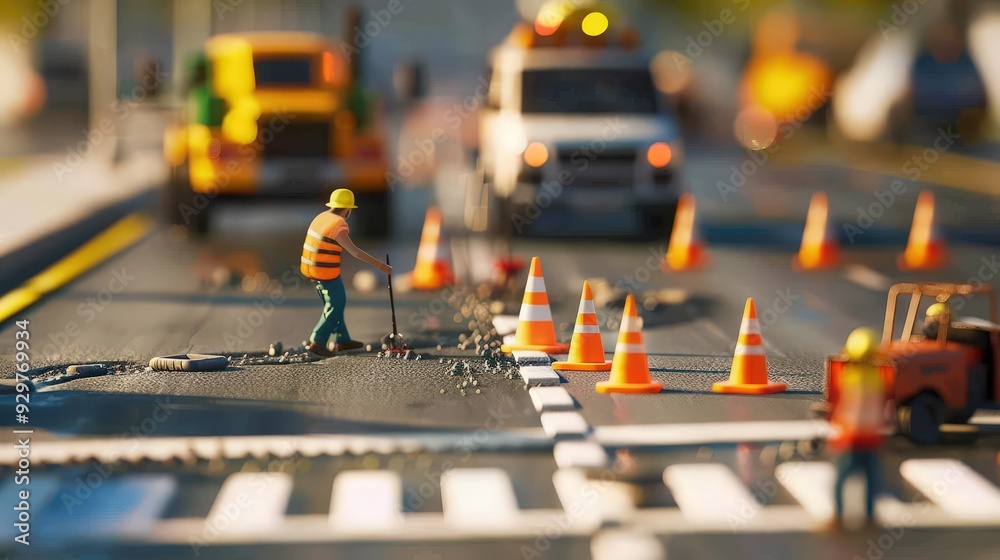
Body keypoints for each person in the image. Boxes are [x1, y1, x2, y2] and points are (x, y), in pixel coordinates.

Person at [301, 189, 391, 357]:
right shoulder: (338, 225)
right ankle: (317, 341)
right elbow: (354, 252)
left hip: (312, 270)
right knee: (335, 305)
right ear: (348, 209)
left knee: (336, 304)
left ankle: (342, 339)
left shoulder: (321, 217)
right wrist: (381, 266)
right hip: (325, 273)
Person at [828, 327, 888, 531]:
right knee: (871, 478)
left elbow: (842, 407)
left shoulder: (849, 377)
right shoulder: (877, 378)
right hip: (870, 438)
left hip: (851, 438)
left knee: (842, 477)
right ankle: (869, 517)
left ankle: (838, 517)